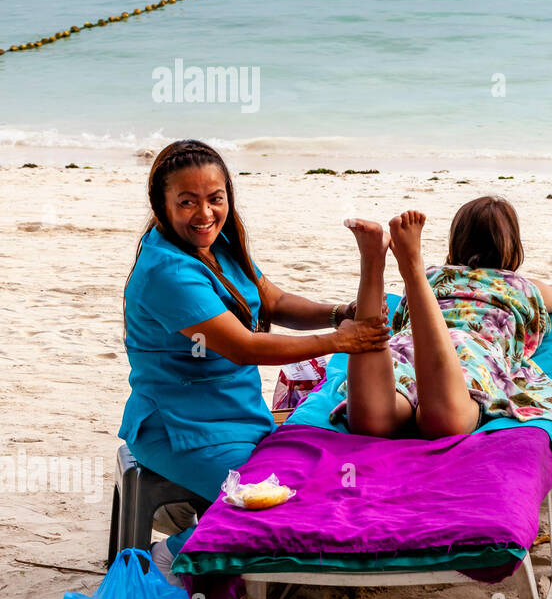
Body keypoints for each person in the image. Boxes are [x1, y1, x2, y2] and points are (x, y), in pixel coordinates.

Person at [121, 140, 391, 574]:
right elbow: (243, 346)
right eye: (187, 202)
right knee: (272, 505)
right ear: (161, 206)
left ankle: (196, 509)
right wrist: (341, 341)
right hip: (181, 429)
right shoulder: (166, 271)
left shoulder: (220, 243)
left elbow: (273, 301)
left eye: (215, 199)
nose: (205, 214)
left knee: (320, 480)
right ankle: (170, 554)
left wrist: (340, 314)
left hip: (239, 417)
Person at [336, 197, 552, 438]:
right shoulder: (520, 286)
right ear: (513, 247)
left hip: (411, 343)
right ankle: (411, 271)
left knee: (372, 422)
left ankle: (372, 265)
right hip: (473, 349)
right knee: (446, 422)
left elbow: (398, 325)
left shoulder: (435, 275)